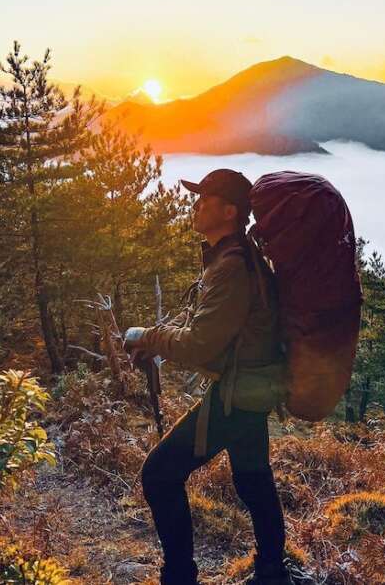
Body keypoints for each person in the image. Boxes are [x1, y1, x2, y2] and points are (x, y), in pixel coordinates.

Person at [124, 169, 295, 585]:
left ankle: (180, 577)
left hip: (237, 394)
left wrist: (148, 336)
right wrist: (160, 342)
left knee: (160, 474)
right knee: (253, 479)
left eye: (205, 198)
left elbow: (201, 344)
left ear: (230, 210)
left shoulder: (231, 267)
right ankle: (272, 572)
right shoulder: (237, 257)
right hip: (252, 388)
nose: (196, 205)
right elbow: (213, 332)